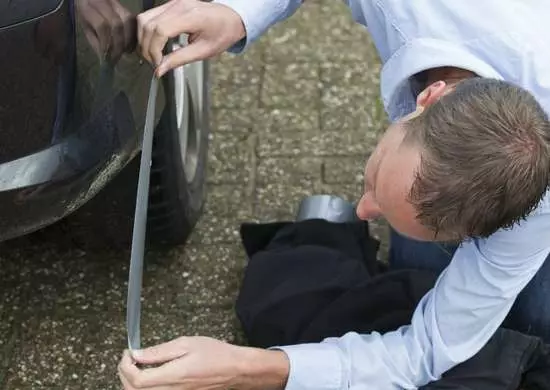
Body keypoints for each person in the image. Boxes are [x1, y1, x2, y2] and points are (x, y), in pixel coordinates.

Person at [118, 1, 550, 389]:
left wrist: (247, 368)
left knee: (529, 326)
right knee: (419, 285)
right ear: (430, 96)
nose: (362, 211)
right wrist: (238, 13)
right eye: (376, 182)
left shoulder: (535, 211)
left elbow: (424, 351)